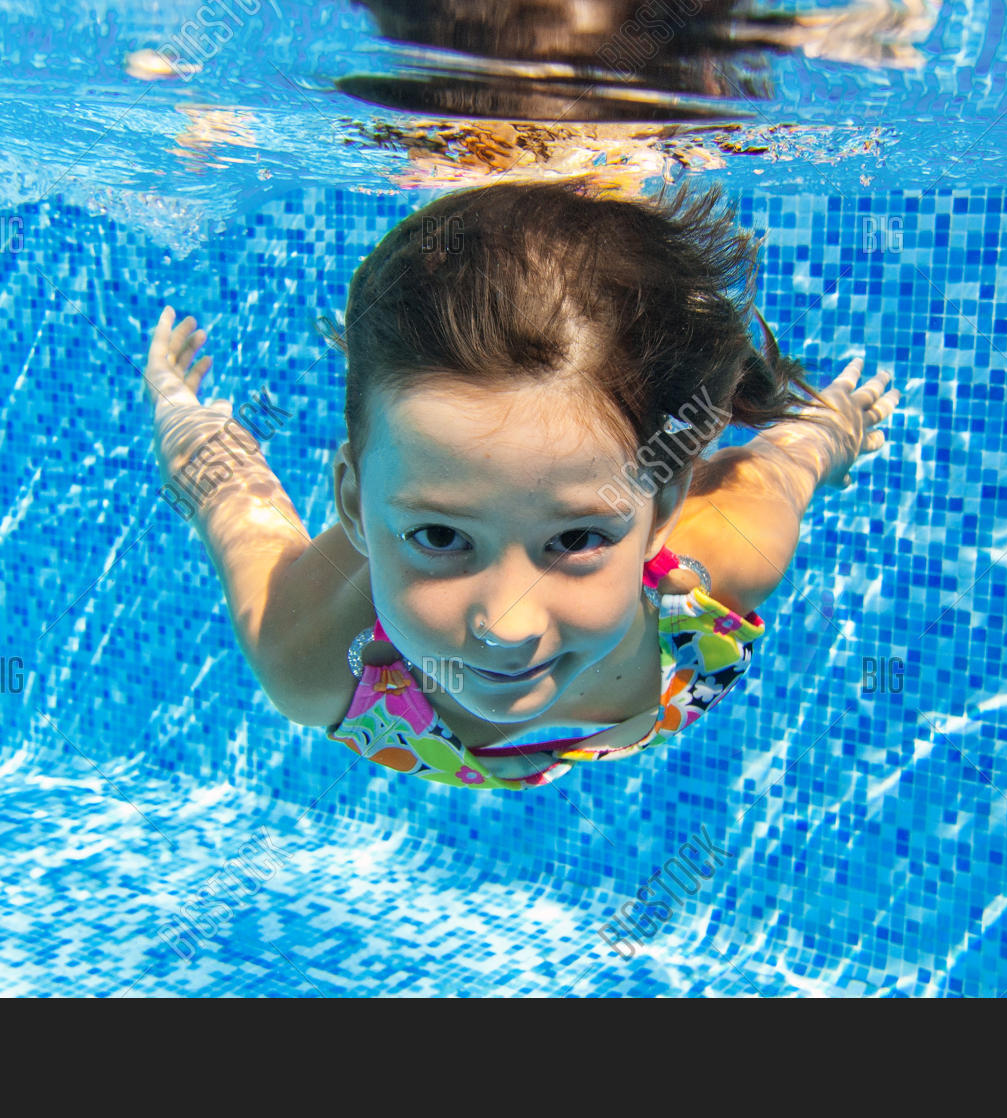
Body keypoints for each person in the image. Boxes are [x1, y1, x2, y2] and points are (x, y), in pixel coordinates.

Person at [144, 175, 897, 790]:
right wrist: (180, 415)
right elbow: (227, 497)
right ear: (352, 508)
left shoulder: (721, 566)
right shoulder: (313, 657)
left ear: (663, 509)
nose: (507, 627)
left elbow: (789, 461)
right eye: (440, 536)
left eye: (576, 538)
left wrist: (834, 429)